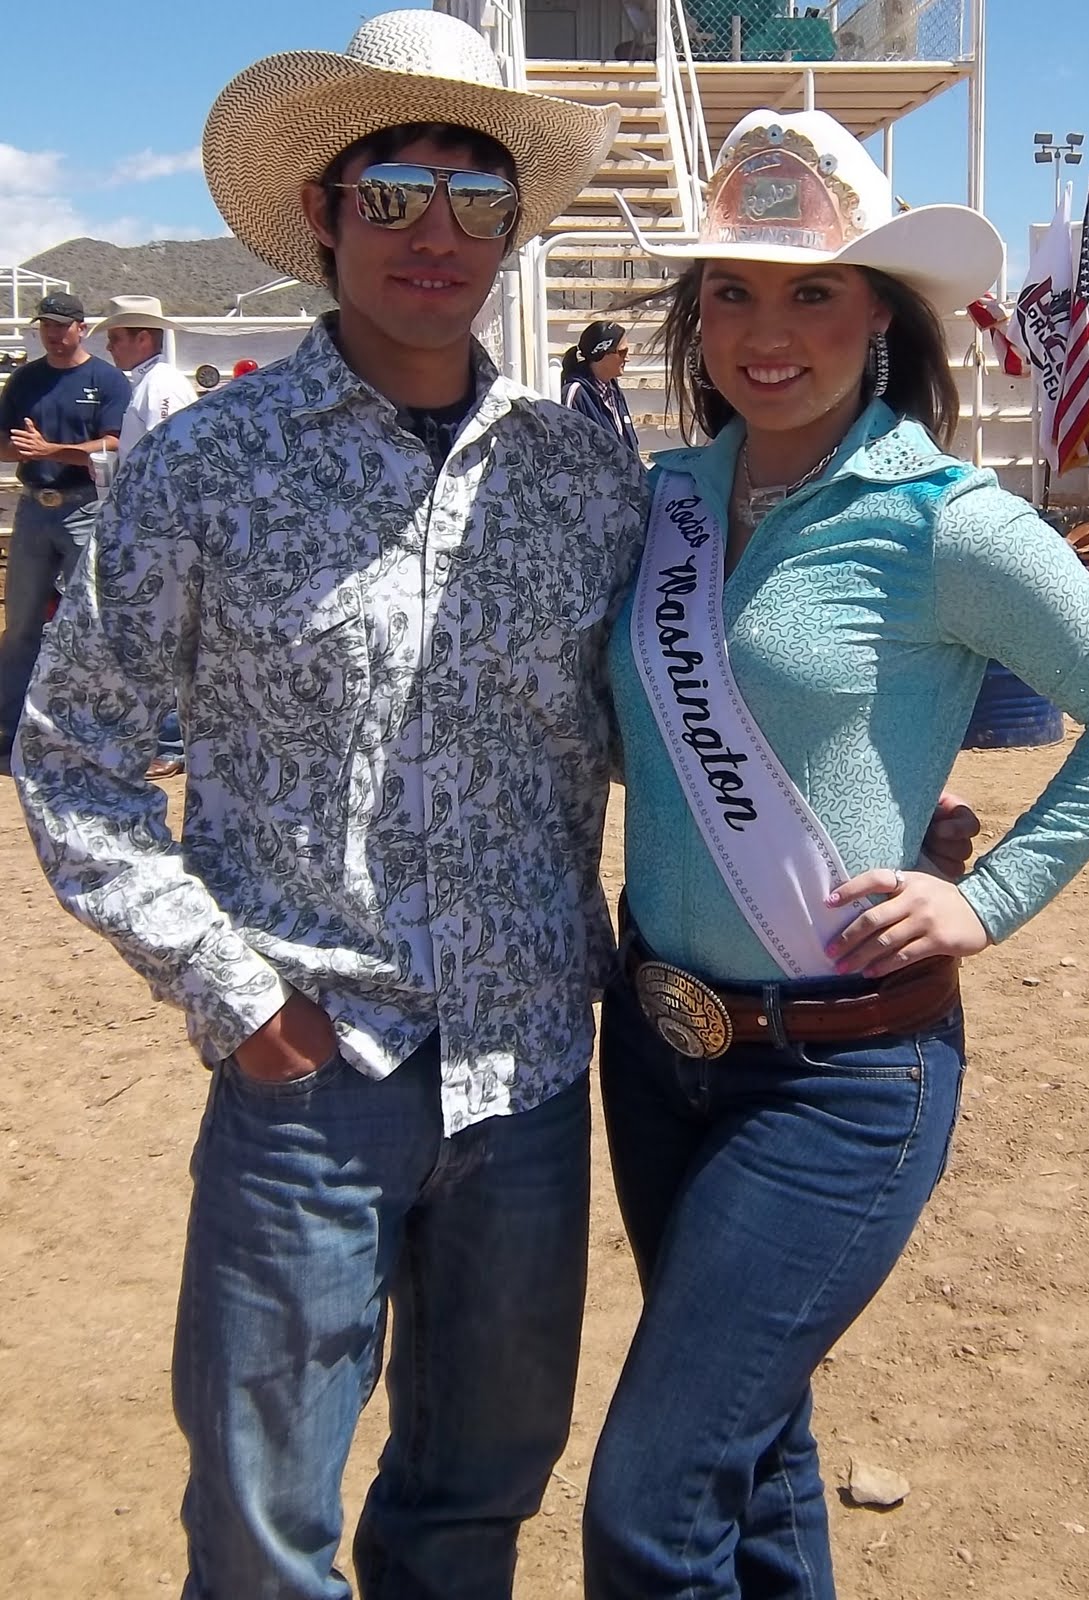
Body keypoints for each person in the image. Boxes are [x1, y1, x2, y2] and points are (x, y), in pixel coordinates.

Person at [13, 12, 642, 1598]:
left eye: (477, 199)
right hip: (310, 1074)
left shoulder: (580, 482)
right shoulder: (206, 468)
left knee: (474, 1495)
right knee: (260, 1521)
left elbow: (683, 722)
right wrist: (232, 991)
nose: (435, 233)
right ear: (320, 212)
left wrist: (883, 810)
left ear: (517, 226)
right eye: (392, 193)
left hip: (524, 1076)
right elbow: (75, 755)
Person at [583, 110, 1089, 1599]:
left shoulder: (944, 521)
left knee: (646, 1515)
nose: (762, 329)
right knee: (755, 1451)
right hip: (654, 1044)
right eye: (731, 288)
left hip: (838, 1074)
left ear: (876, 316)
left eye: (810, 292)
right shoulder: (660, 500)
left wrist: (979, 898)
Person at [0, 292, 130, 766]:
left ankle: (86, 729)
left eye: (61, 326)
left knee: (90, 622)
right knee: (21, 624)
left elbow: (113, 443)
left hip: (84, 508)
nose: (53, 335)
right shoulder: (25, 380)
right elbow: (6, 444)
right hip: (34, 509)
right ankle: (10, 729)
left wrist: (49, 449)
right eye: (45, 327)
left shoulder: (106, 380)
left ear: (81, 327)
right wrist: (29, 451)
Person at [92, 294, 198, 778]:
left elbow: (168, 457)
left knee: (164, 634)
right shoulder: (151, 384)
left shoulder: (160, 386)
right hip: (154, 523)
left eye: (117, 337)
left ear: (143, 337)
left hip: (161, 526)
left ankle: (171, 741)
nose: (111, 347)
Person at [562, 319, 641, 453]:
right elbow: (569, 449)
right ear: (601, 353)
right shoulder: (576, 394)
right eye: (622, 352)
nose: (627, 358)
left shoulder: (614, 391)